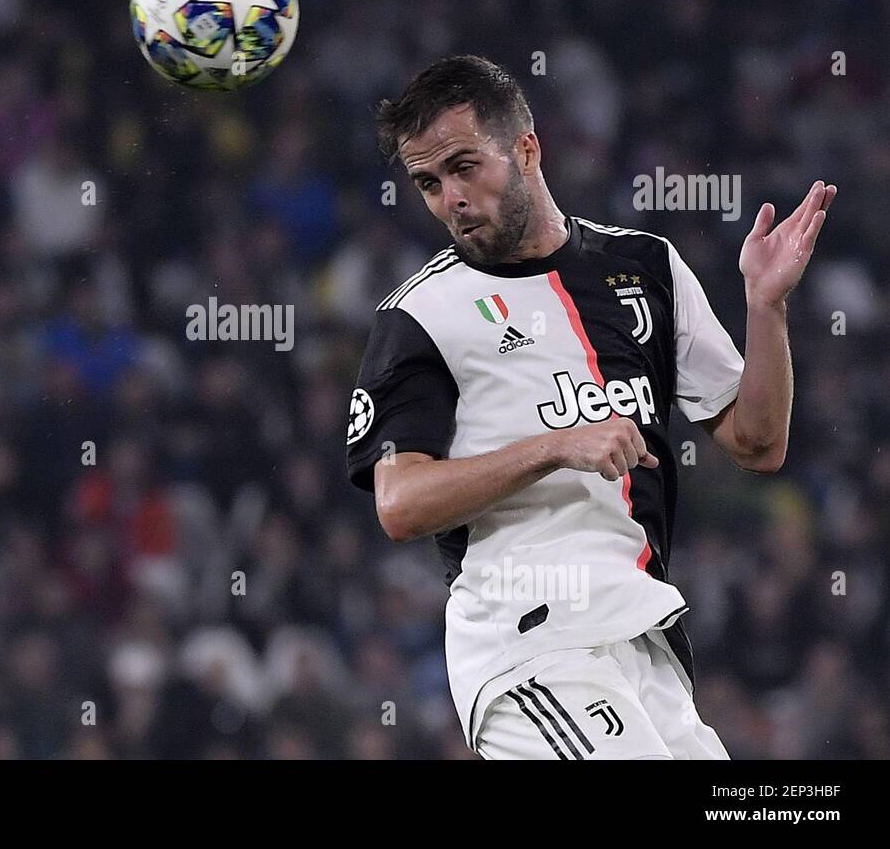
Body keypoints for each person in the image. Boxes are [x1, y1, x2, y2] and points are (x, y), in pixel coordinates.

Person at [346, 55, 835, 759]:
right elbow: (399, 504)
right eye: (428, 182)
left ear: (526, 147)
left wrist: (767, 307)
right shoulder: (421, 315)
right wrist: (553, 444)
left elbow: (759, 443)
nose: (451, 198)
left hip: (646, 641)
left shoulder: (647, 268)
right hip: (531, 645)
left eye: (463, 167)